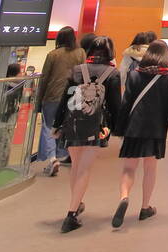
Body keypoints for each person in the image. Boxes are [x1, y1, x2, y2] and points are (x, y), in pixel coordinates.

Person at [52, 37, 121, 233]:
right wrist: (116, 129)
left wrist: (57, 124)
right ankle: (71, 214)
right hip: (95, 126)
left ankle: (77, 201)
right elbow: (116, 106)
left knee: (76, 166)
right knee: (84, 169)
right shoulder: (112, 73)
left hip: (71, 124)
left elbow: (64, 99)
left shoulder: (77, 70)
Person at [112, 40, 168, 225]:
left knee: (129, 168)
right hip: (156, 129)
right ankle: (145, 207)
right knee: (150, 169)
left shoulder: (135, 75)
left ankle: (124, 197)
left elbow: (126, 104)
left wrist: (119, 128)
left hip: (133, 127)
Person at [35, 27, 86, 176]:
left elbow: (44, 79)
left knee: (48, 126)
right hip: (72, 95)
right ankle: (59, 155)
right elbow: (84, 74)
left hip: (52, 95)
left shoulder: (53, 55)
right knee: (63, 126)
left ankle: (52, 158)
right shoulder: (80, 53)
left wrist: (39, 98)